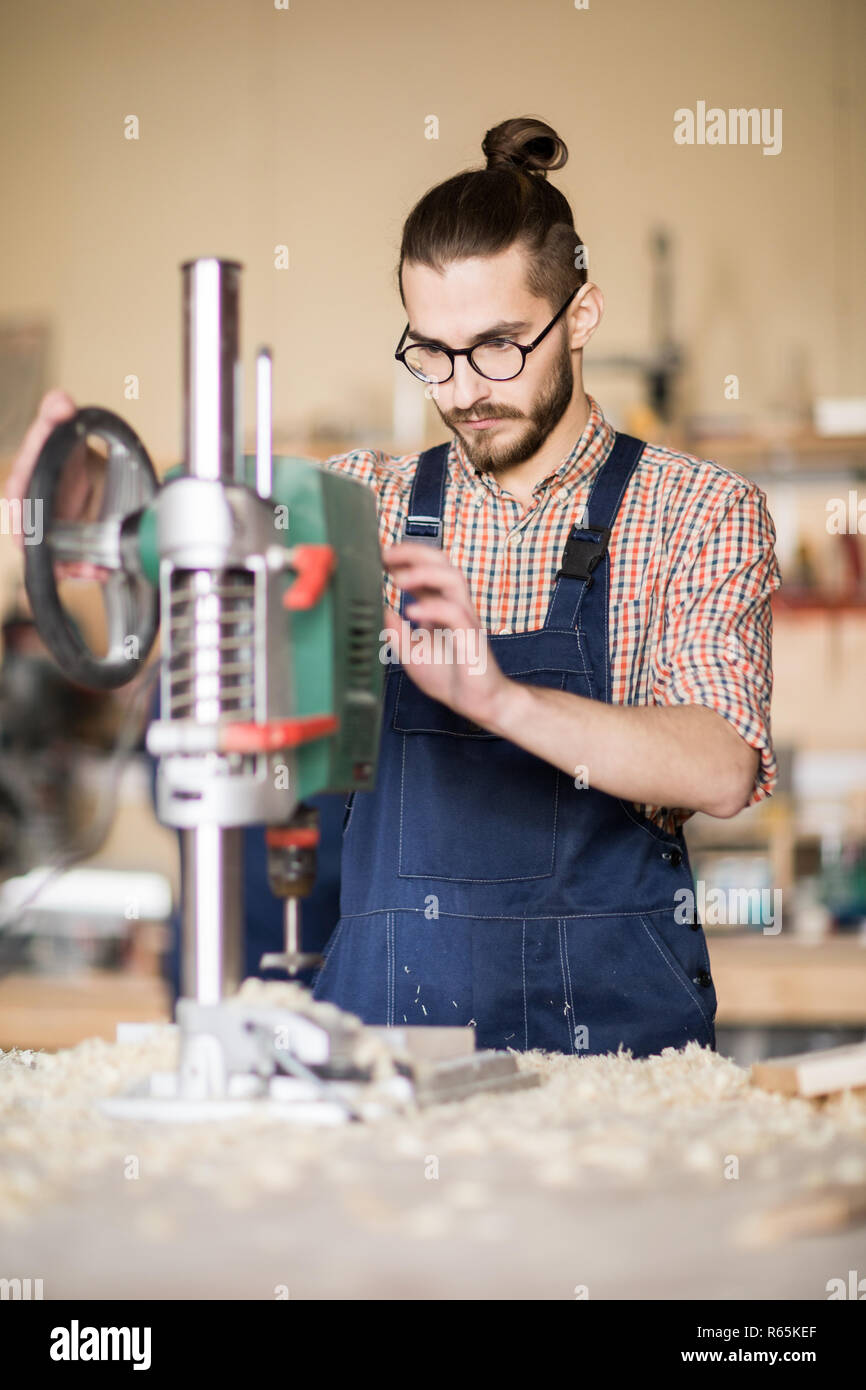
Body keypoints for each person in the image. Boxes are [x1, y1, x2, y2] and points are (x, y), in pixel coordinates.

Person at [7, 114, 781, 1058]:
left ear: (581, 316)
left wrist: (493, 697)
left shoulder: (696, 508)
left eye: (499, 346)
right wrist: (90, 499)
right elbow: (201, 539)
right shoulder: (364, 502)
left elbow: (721, 762)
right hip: (392, 1068)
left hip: (619, 1067)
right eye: (431, 353)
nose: (462, 390)